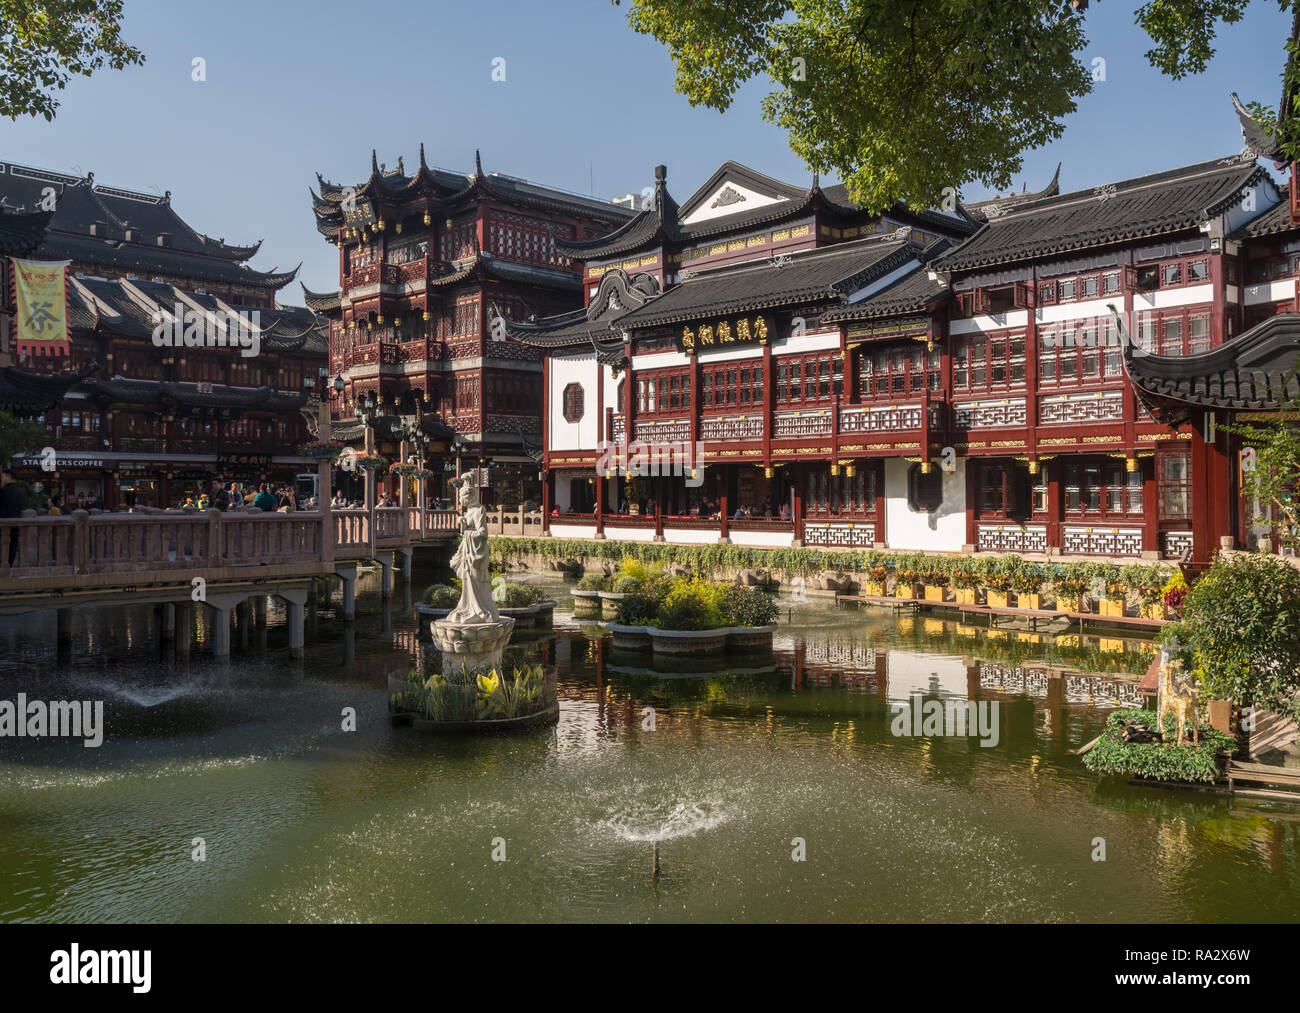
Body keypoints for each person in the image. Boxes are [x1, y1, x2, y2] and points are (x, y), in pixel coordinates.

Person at [1, 466, 25, 566]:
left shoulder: (3, 491)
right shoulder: (20, 491)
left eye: (3, 477)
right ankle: (9, 565)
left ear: (8, 477)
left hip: (3, 524)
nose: (2, 479)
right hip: (16, 524)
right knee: (13, 546)